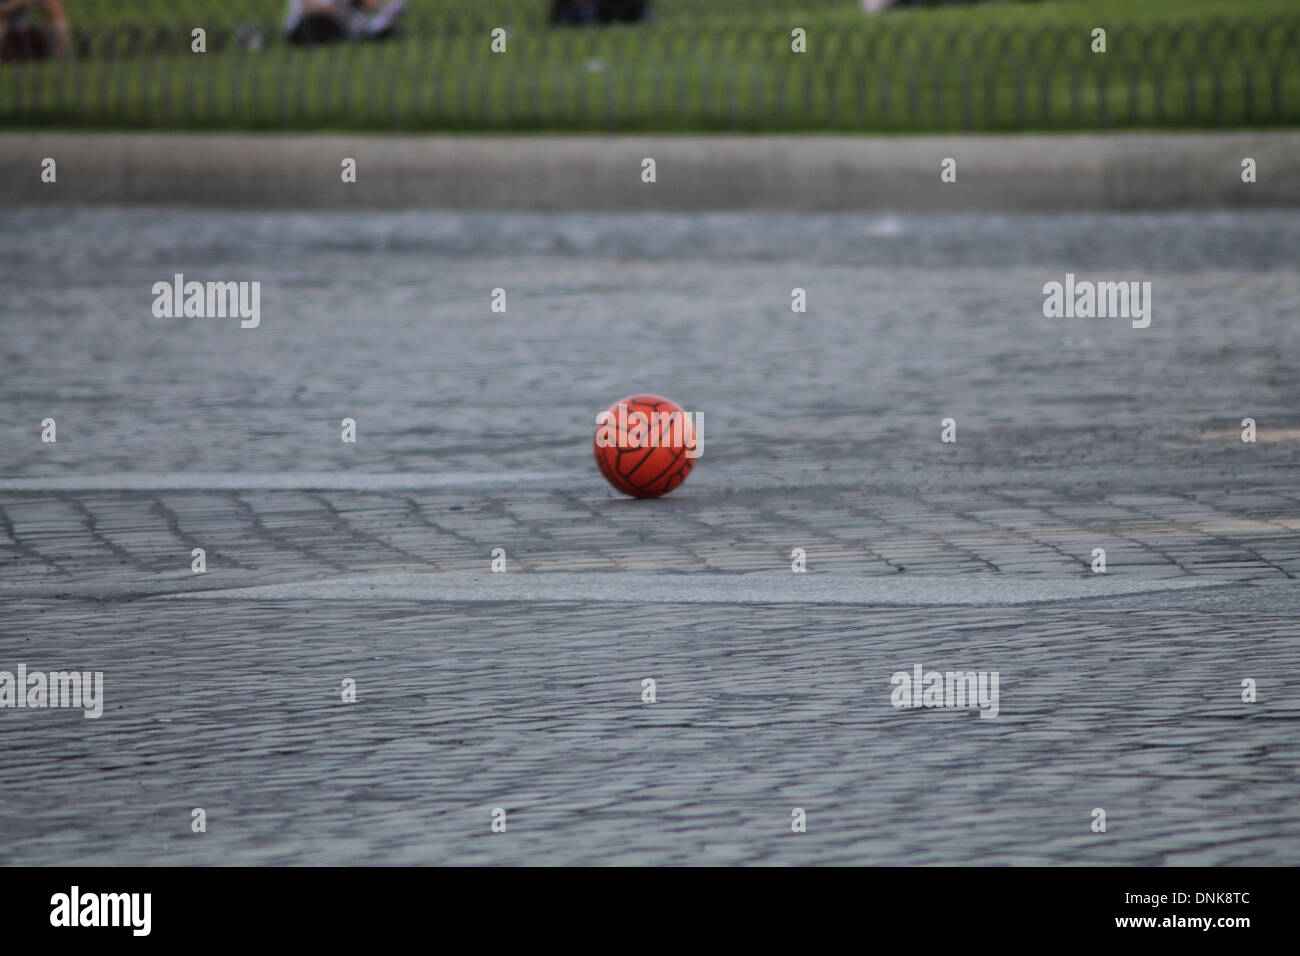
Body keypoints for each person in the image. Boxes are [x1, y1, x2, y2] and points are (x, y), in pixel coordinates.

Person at [283, 0, 406, 46]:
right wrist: (331, 10)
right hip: (306, 24)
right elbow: (306, 8)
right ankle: (371, 30)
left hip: (336, 21)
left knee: (354, 23)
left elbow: (367, 3)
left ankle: (383, 20)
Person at [0, 0, 69, 63]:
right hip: (5, 33)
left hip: (23, 33)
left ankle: (62, 51)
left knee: (53, 5)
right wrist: (15, 4)